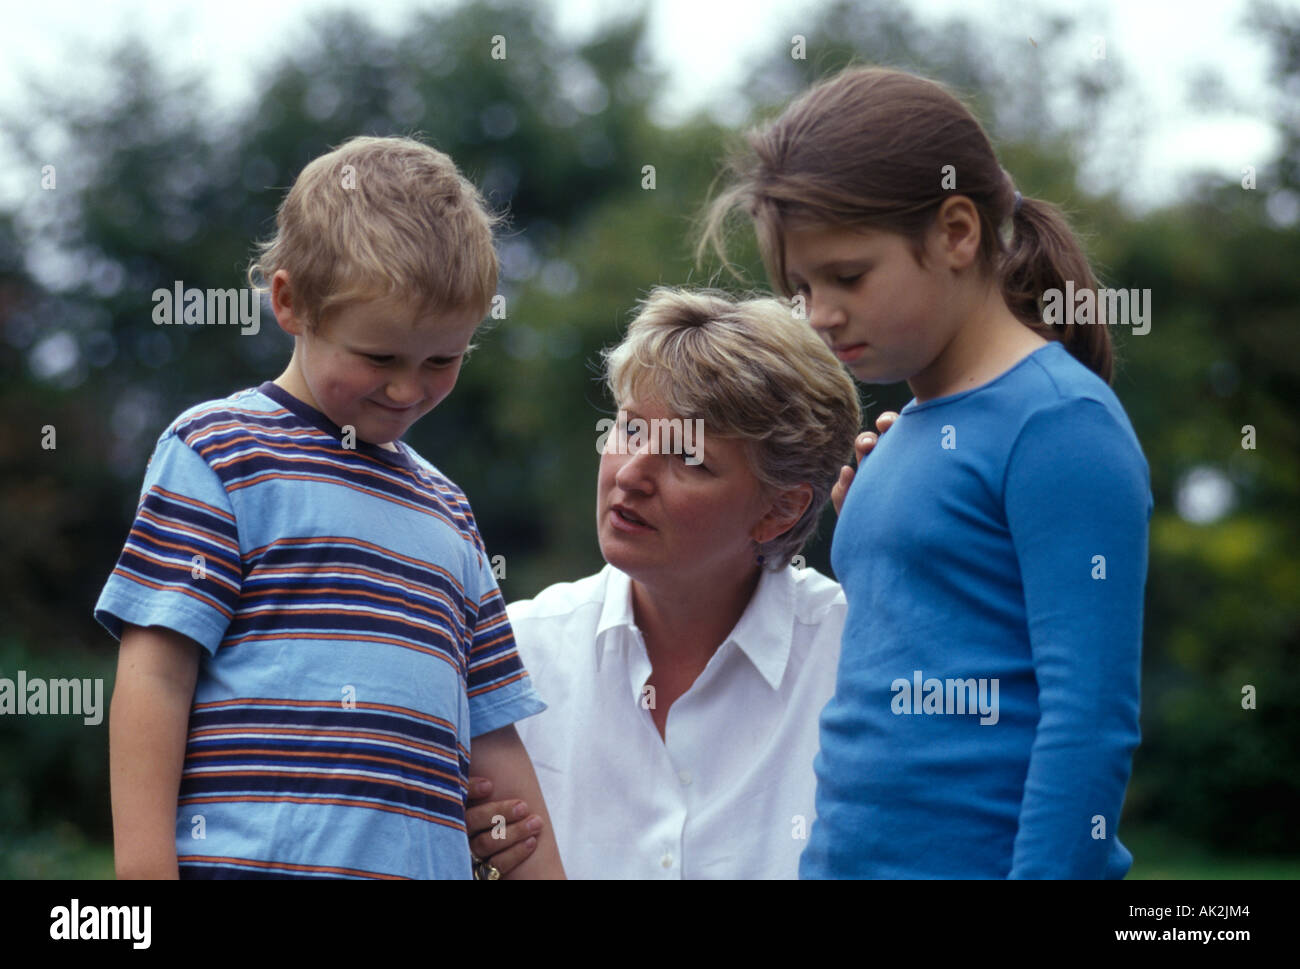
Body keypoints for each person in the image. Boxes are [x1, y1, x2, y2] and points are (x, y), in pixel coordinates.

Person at [699, 66, 1153, 879]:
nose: (820, 314)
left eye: (848, 275)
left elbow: (1089, 721)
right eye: (801, 286)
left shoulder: (1058, 423)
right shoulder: (898, 439)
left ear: (955, 232)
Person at [94, 135, 563, 880]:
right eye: (379, 357)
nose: (409, 390)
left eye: (442, 359)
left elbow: (494, 735)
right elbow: (155, 675)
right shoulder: (220, 451)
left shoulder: (450, 511)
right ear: (291, 304)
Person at [466, 287, 866, 878]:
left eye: (688, 459)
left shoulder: (856, 662)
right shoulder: (514, 652)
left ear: (780, 509)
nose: (630, 474)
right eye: (629, 428)